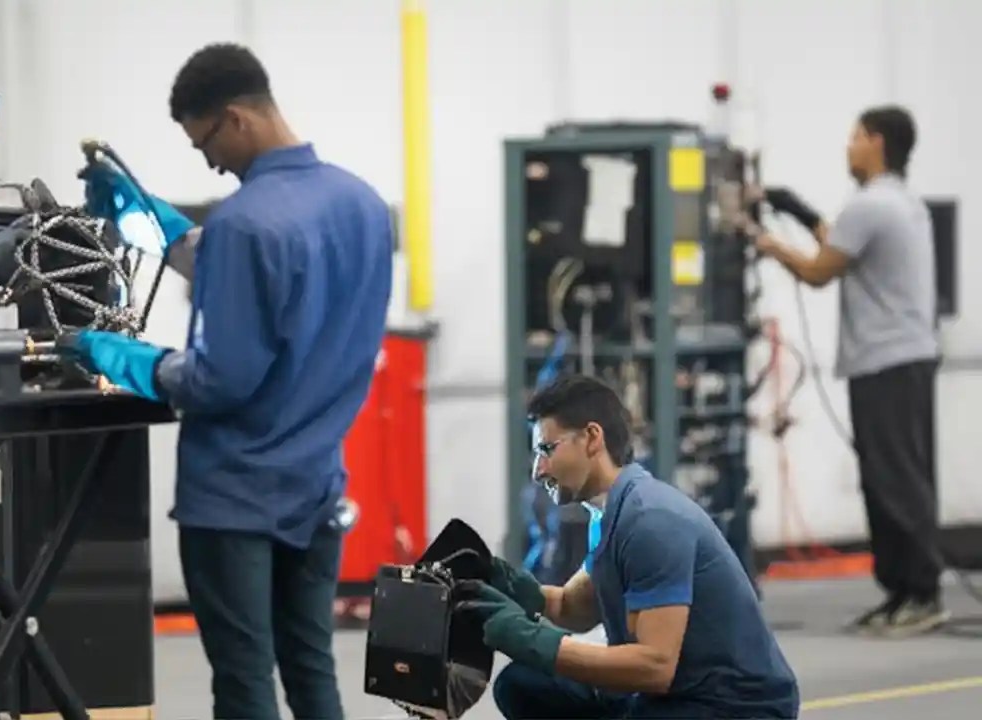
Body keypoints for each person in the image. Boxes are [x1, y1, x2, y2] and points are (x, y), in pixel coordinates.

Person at [71, 43, 393, 720]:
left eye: (204, 143)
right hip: (316, 489)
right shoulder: (359, 205)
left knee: (244, 681)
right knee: (311, 670)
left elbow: (217, 380)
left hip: (235, 500)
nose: (209, 161)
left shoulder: (245, 224)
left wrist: (115, 355)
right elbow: (256, 277)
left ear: (236, 118)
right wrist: (145, 216)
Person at [469, 375, 799, 719]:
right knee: (523, 684)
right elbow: (573, 607)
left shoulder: (649, 520)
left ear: (592, 438)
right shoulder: (609, 512)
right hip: (675, 695)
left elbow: (654, 666)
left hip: (734, 707)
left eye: (546, 449)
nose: (538, 471)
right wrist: (510, 588)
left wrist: (531, 639)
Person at [753, 105, 946, 636]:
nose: (848, 146)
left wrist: (765, 241)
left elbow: (820, 270)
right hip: (905, 358)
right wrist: (794, 209)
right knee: (896, 477)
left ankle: (922, 594)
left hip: (886, 362)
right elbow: (840, 242)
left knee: (894, 480)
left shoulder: (870, 205)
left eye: (856, 136)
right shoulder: (899, 202)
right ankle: (905, 591)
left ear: (877, 142)